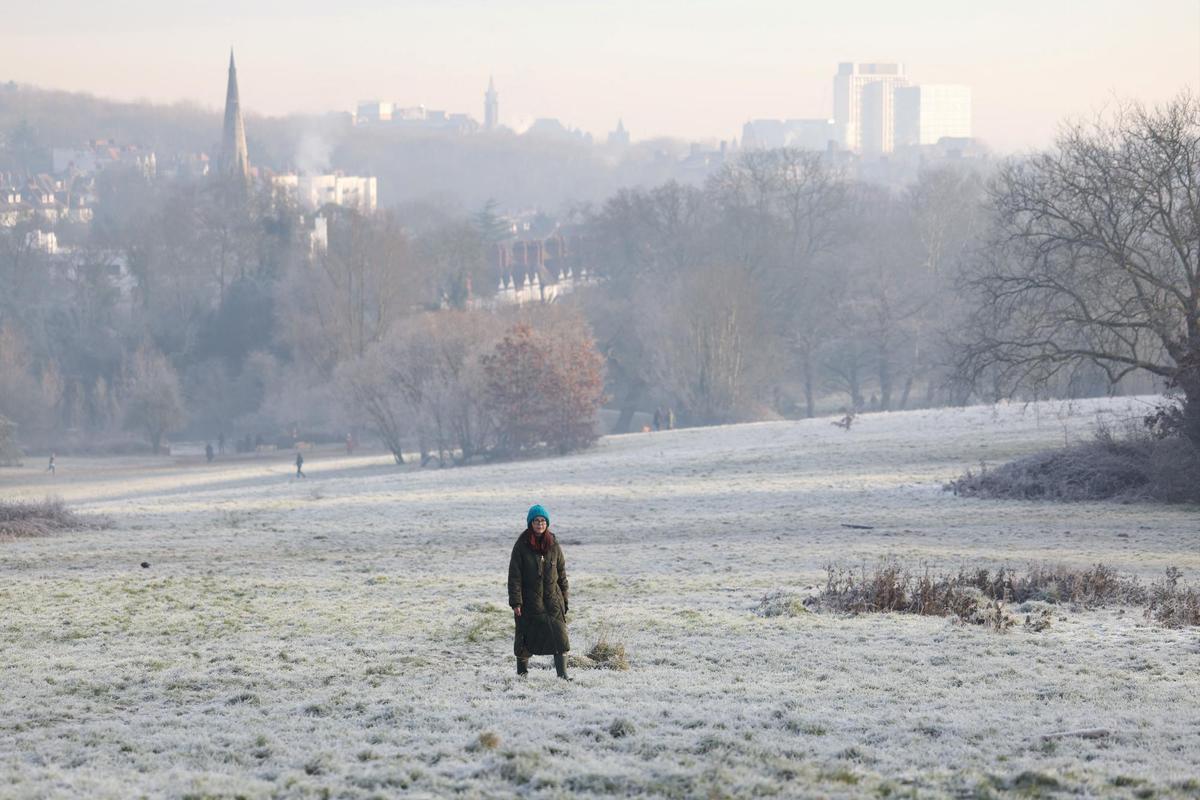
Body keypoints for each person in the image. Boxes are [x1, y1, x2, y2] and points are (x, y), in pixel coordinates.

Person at [508, 504, 571, 680]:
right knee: (525, 638)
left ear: (547, 523)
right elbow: (514, 576)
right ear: (530, 523)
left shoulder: (554, 545)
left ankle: (563, 676)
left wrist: (564, 599)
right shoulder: (521, 545)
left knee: (560, 637)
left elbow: (562, 574)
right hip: (529, 602)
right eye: (536, 521)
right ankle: (522, 674)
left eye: (543, 521)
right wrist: (516, 602)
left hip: (553, 601)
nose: (540, 524)